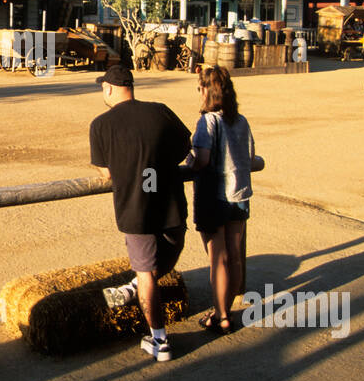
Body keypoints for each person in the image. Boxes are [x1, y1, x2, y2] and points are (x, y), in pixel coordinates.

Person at [93, 64, 192, 362]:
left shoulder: (100, 125)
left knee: (146, 272)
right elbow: (184, 149)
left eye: (102, 88)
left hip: (136, 209)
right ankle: (135, 287)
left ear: (109, 88)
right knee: (167, 258)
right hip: (171, 203)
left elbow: (106, 172)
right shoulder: (160, 111)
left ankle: (159, 340)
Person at [188, 65, 255, 336]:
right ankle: (227, 310)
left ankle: (221, 315)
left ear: (206, 90)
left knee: (219, 258)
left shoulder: (208, 121)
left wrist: (191, 160)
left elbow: (203, 159)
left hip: (215, 195)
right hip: (240, 194)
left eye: (199, 88)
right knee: (235, 256)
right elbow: (251, 158)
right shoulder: (240, 120)